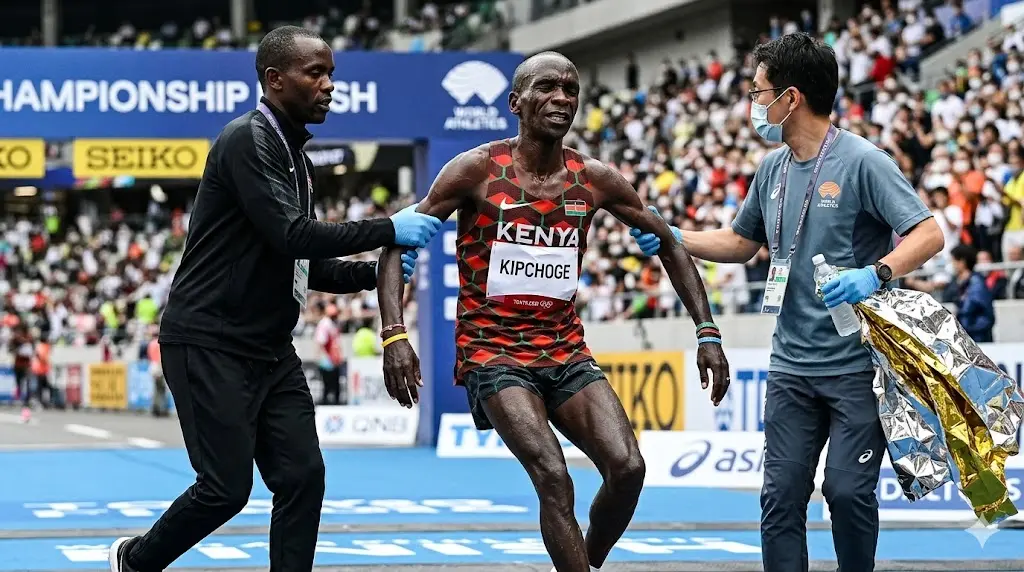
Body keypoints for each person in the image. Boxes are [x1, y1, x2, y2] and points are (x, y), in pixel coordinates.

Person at [376, 51, 731, 572]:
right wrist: (394, 335)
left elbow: (668, 241)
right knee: (553, 475)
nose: (562, 98)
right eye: (547, 87)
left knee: (628, 468)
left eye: (571, 89)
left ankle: (584, 563)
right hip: (492, 352)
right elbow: (396, 243)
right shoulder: (476, 170)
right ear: (516, 102)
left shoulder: (593, 179)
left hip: (564, 350)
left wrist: (707, 331)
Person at [107, 26, 441, 572]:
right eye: (316, 73)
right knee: (224, 489)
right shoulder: (247, 140)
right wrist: (388, 229)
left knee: (302, 478)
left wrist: (368, 274)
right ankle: (137, 561)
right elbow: (292, 235)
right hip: (209, 342)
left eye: (331, 72)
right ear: (274, 79)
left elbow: (302, 263)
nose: (330, 85)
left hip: (270, 350)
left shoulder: (298, 160)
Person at [631, 33, 944, 572]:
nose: (753, 103)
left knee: (846, 494)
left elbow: (929, 233)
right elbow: (741, 243)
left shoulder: (864, 161)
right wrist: (673, 235)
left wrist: (876, 273)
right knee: (779, 499)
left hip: (856, 370)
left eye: (759, 91)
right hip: (791, 369)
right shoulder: (771, 169)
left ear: (791, 98)